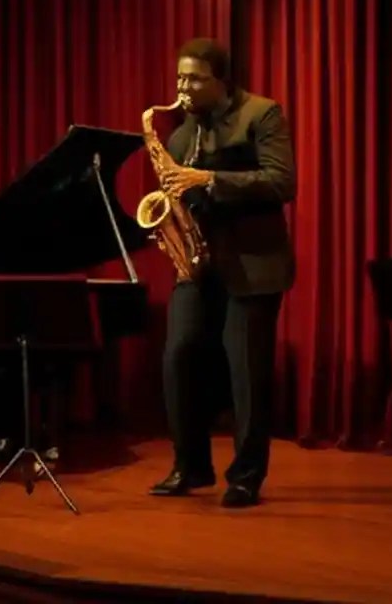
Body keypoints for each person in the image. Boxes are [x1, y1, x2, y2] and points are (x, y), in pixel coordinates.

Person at [148, 38, 296, 508]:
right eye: (179, 79)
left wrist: (209, 180)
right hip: (198, 263)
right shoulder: (176, 136)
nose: (183, 88)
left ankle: (245, 477)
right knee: (179, 356)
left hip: (253, 264)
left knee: (245, 373)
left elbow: (281, 181)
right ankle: (189, 465)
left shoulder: (261, 114)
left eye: (193, 79)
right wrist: (169, 221)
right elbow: (177, 194)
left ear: (220, 80)